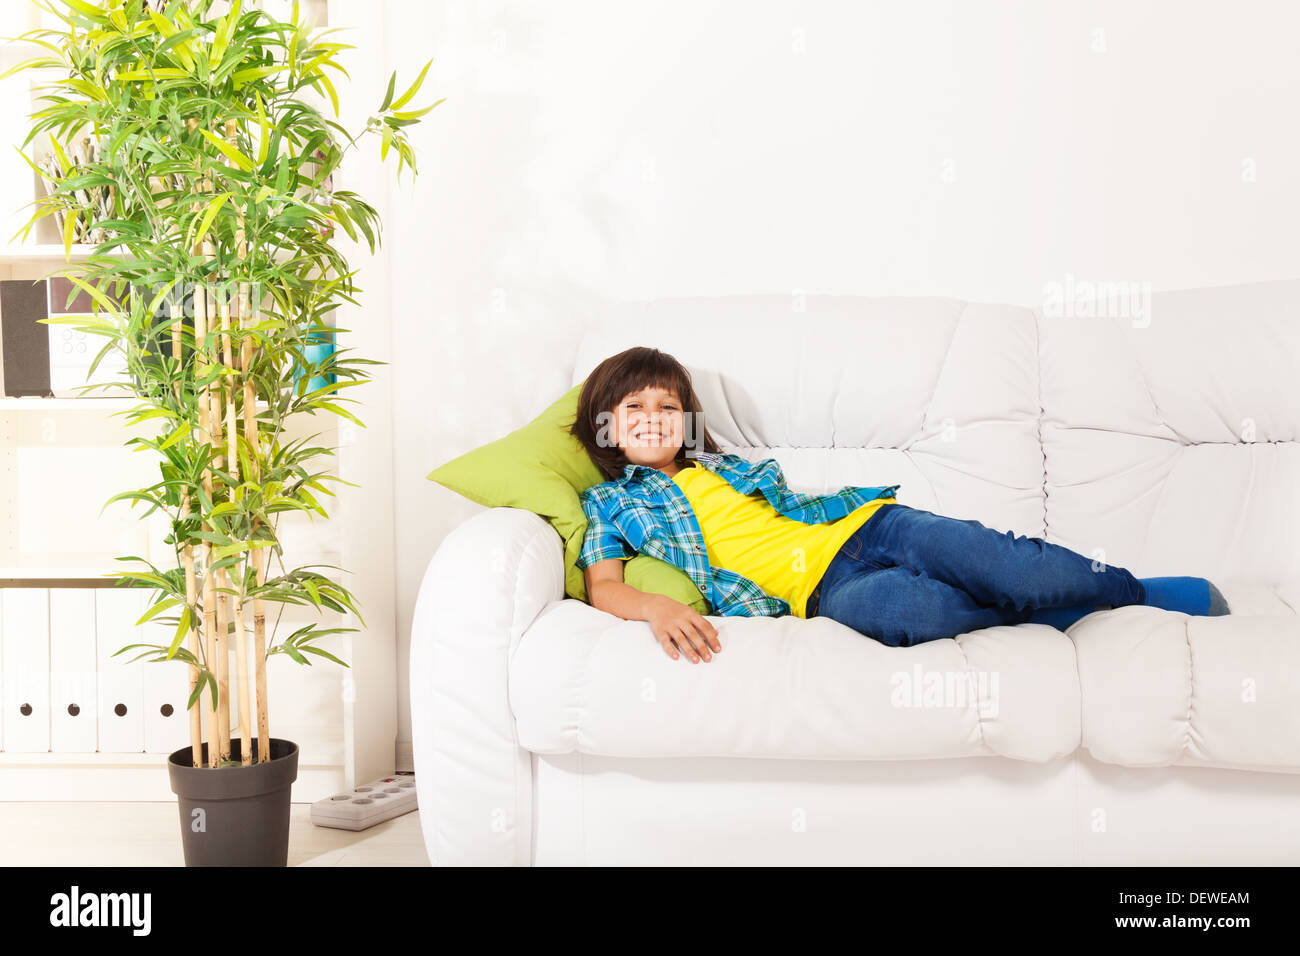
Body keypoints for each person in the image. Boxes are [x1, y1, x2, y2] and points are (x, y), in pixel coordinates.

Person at [570, 346, 1230, 662]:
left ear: (688, 420)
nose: (653, 418)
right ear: (606, 423)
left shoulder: (721, 467)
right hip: (820, 595)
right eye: (634, 408)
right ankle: (1078, 611)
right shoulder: (610, 504)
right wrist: (655, 606)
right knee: (912, 614)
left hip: (870, 527)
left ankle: (1140, 593)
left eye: (668, 406)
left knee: (1010, 567)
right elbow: (602, 585)